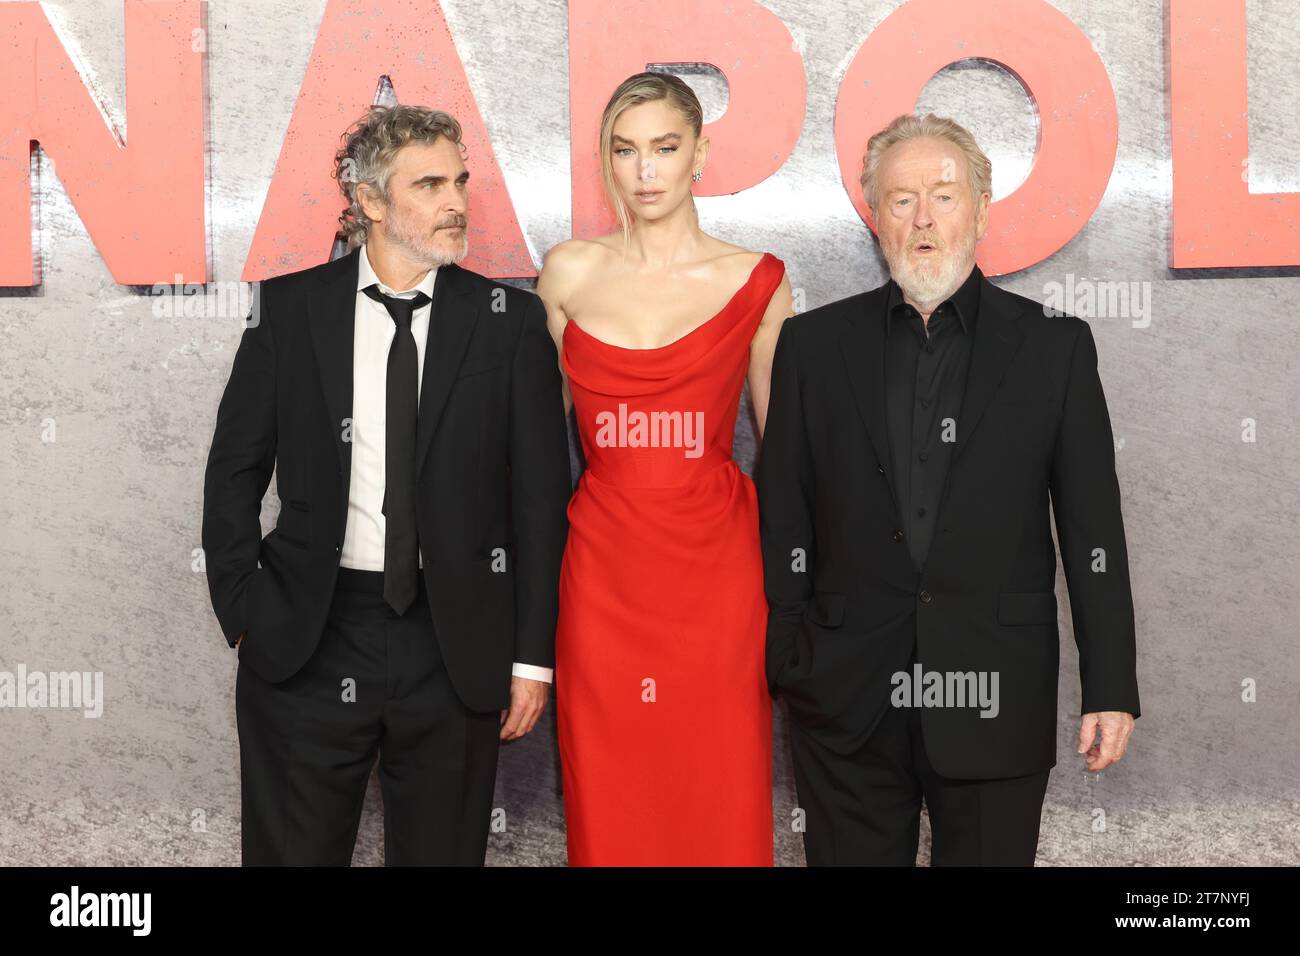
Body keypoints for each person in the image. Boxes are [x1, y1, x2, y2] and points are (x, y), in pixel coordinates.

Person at [757, 113, 1140, 866]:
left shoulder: (1055, 346)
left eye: (942, 194)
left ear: (982, 208)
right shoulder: (812, 347)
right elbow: (785, 517)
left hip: (997, 692)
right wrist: (788, 663)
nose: (923, 218)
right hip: (845, 701)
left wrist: (1111, 685)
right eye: (901, 200)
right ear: (875, 218)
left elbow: (1094, 532)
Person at [201, 105, 570, 865]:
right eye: (429, 183)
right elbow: (233, 472)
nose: (456, 201)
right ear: (369, 201)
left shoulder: (509, 322)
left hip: (454, 642)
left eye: (459, 181)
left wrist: (531, 657)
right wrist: (246, 611)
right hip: (308, 634)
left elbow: (539, 504)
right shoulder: (291, 309)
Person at [537, 72, 793, 865]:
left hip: (717, 579)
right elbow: (536, 457)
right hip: (602, 576)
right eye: (625, 150)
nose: (645, 171)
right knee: (611, 804)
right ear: (606, 161)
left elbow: (785, 460)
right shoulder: (567, 274)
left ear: (699, 155)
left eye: (665, 147)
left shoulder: (757, 281)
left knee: (717, 793)